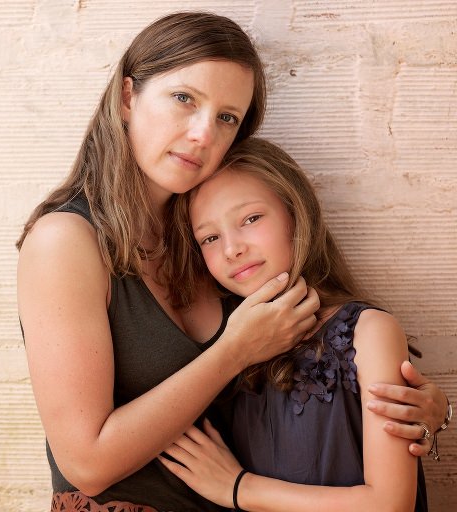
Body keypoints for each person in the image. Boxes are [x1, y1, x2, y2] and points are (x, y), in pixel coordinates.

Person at [16, 11, 449, 512]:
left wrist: (419, 410)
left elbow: (308, 381)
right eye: (184, 99)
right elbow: (86, 463)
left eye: (227, 118)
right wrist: (232, 352)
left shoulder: (209, 241)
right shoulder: (64, 241)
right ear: (127, 97)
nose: (203, 134)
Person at [159, 137, 431, 511]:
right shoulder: (216, 350)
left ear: (295, 212)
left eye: (251, 219)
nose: (231, 249)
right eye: (209, 237)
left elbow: (390, 504)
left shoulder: (368, 333)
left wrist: (236, 488)